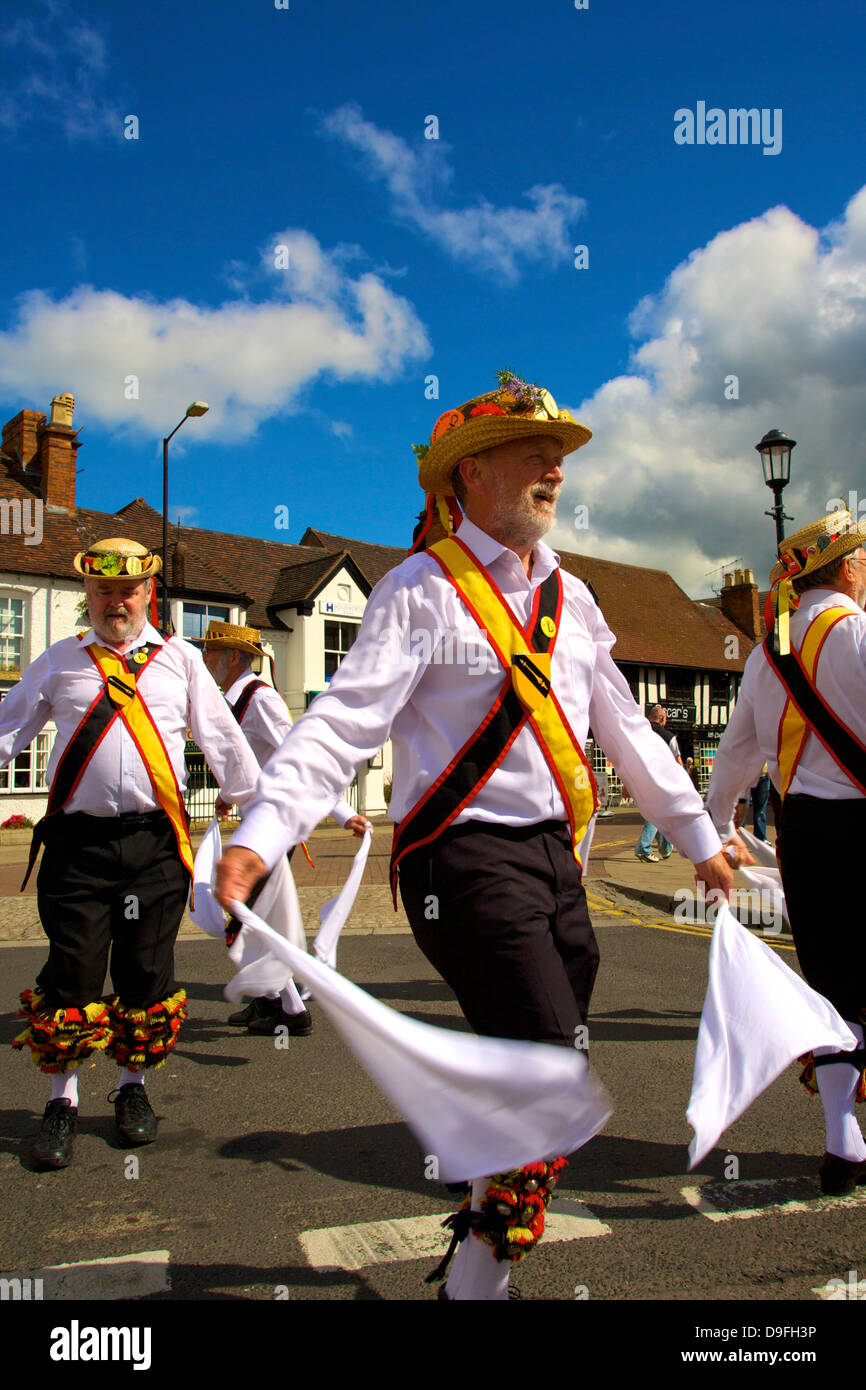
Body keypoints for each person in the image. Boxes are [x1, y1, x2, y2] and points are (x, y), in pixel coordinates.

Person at [215, 370, 732, 1299]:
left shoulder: (574, 600)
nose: (556, 472)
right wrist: (260, 833)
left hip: (555, 860)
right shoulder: (420, 591)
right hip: (460, 857)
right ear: (472, 475)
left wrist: (699, 837)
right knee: (541, 1065)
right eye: (535, 454)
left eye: (561, 457)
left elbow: (627, 730)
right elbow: (340, 725)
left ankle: (477, 1229)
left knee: (552, 1058)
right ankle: (478, 1288)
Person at [0, 538, 260, 1170]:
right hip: (76, 846)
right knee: (73, 971)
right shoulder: (59, 660)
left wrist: (262, 815)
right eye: (103, 591)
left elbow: (222, 740)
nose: (115, 601)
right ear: (89, 596)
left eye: (128, 590)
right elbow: (8, 729)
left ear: (148, 591)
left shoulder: (182, 661)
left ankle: (130, 1090)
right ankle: (62, 1099)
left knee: (145, 971)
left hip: (154, 844)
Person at [705, 508, 866, 1194]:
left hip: (807, 836)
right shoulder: (858, 632)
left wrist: (712, 832)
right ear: (850, 567)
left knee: (833, 985)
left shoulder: (766, 657)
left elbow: (735, 758)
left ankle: (843, 1144)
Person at [197, 620, 371, 1035]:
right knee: (258, 914)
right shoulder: (234, 699)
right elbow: (252, 761)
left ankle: (289, 1008)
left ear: (233, 657)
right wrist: (227, 796)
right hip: (256, 825)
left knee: (248, 915)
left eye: (210, 652)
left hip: (272, 829)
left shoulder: (261, 700)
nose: (205, 659)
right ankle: (272, 1002)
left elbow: (300, 760)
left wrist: (344, 814)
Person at [635, 705, 683, 861]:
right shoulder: (668, 737)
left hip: (642, 777)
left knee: (660, 813)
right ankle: (644, 847)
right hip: (662, 779)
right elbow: (678, 763)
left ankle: (665, 847)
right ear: (663, 718)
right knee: (657, 813)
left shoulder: (639, 733)